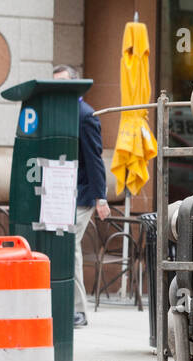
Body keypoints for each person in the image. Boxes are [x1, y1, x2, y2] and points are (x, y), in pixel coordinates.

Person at [53, 64, 110, 329]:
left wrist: (101, 197)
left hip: (82, 195)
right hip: (59, 194)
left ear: (76, 85)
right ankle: (66, 305)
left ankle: (78, 310)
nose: (58, 88)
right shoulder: (55, 111)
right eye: (55, 83)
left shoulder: (85, 115)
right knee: (61, 248)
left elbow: (94, 158)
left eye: (63, 82)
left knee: (68, 248)